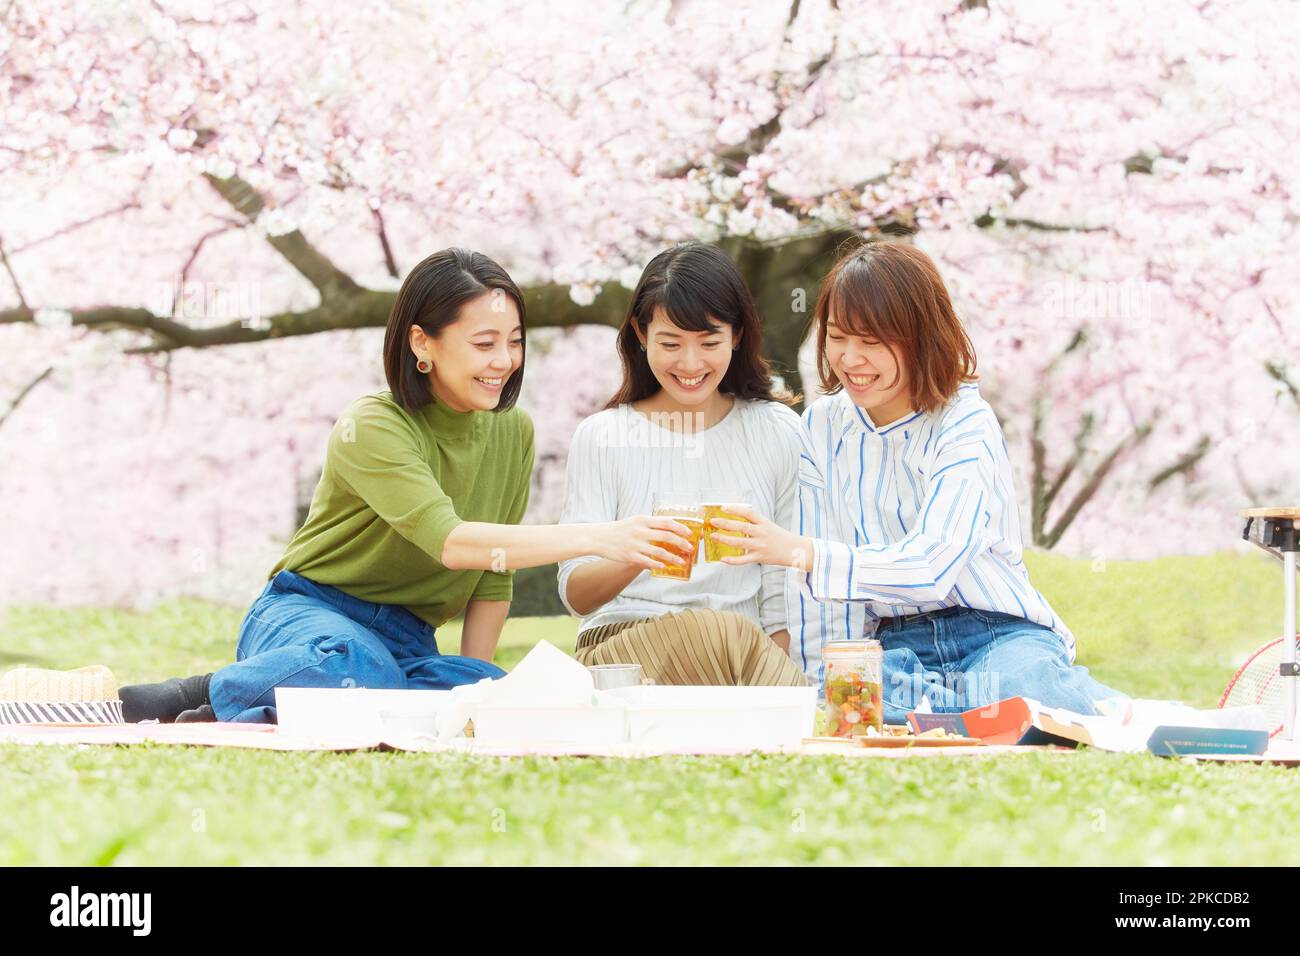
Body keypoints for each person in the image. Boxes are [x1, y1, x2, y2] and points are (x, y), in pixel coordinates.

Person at [120, 248, 697, 724]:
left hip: (410, 642)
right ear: (422, 343)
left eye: (515, 341)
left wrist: (477, 689)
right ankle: (196, 693)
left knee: (501, 696)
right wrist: (601, 538)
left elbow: (491, 576)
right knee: (353, 665)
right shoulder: (373, 423)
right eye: (484, 343)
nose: (505, 361)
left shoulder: (512, 431)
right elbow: (452, 543)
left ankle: (251, 715)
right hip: (311, 614)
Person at [707, 241, 1128, 721]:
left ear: (920, 337)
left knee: (1021, 690)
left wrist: (801, 551)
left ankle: (1007, 704)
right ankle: (975, 713)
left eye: (872, 341)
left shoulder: (966, 422)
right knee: (850, 699)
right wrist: (821, 673)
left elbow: (932, 564)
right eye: (838, 337)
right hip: (894, 644)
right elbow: (815, 594)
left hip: (996, 632)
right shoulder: (823, 424)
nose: (850, 359)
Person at [559, 242, 809, 687]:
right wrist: (636, 555)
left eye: (709, 342)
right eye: (670, 344)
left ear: (736, 335)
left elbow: (783, 582)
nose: (690, 364)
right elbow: (576, 595)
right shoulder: (603, 436)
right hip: (625, 646)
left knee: (729, 633)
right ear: (640, 334)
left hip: (742, 652)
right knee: (714, 627)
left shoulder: (777, 430)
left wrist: (776, 667)